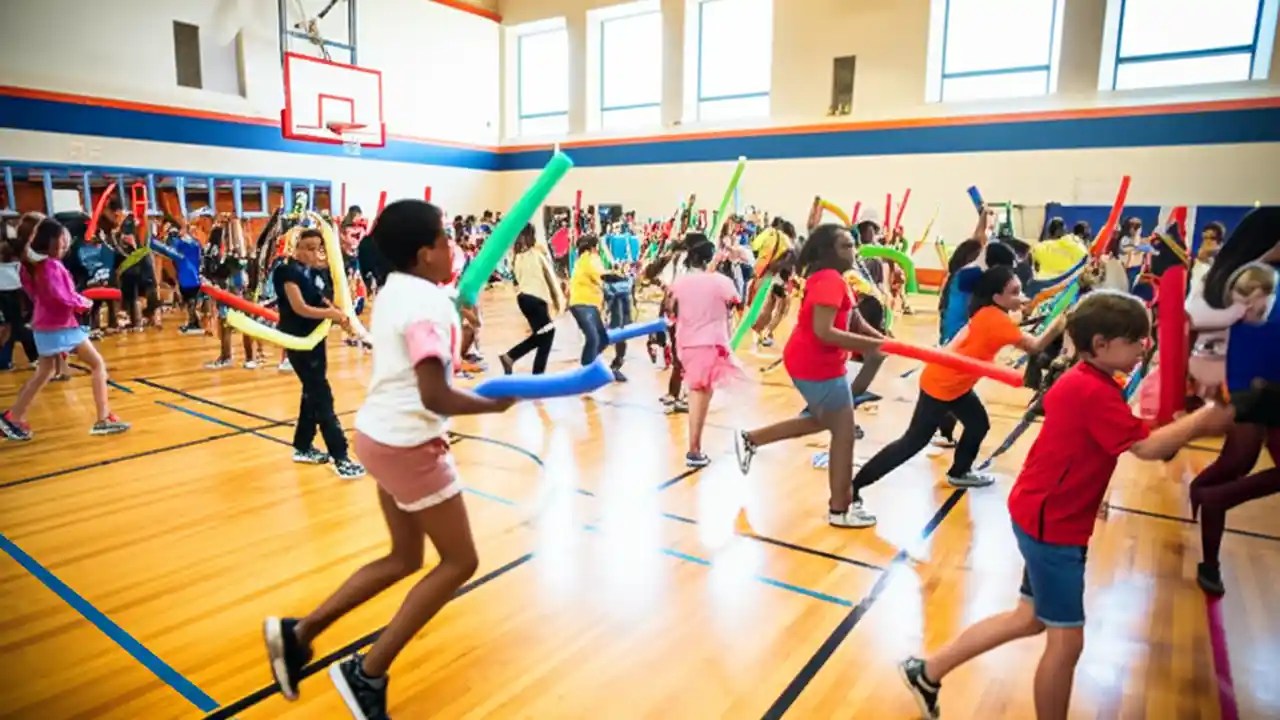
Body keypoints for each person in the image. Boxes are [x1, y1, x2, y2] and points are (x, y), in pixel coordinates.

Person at [899, 291, 1235, 720]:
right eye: (1136, 341)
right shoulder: (1091, 391)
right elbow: (1147, 448)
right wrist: (1205, 419)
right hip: (1051, 525)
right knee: (1067, 642)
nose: (1144, 348)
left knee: (1028, 618)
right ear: (1101, 345)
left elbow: (1124, 435)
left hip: (1044, 514)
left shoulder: (1088, 381)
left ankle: (927, 671)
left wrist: (1193, 419)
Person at [263, 200, 515, 720]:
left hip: (377, 434)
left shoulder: (400, 290)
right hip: (408, 444)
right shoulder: (427, 304)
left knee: (405, 558)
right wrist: (494, 401)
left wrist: (461, 329)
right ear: (425, 253)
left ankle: (300, 633)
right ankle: (366, 673)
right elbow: (435, 395)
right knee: (460, 561)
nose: (456, 248)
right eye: (447, 240)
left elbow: (426, 359)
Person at [849, 266, 1066, 525]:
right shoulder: (996, 321)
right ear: (997, 298)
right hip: (942, 386)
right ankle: (853, 488)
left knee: (978, 424)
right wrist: (1062, 320)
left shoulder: (989, 312)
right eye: (1014, 292)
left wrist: (1031, 306)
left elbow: (1015, 327)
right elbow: (1035, 345)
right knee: (911, 443)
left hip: (954, 385)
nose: (1020, 296)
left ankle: (960, 471)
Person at [732, 224, 883, 527]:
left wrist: (879, 339)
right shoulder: (829, 280)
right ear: (828, 252)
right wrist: (873, 345)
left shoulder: (837, 280)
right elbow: (825, 333)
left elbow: (852, 318)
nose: (853, 250)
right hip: (815, 364)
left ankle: (750, 440)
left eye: (853, 245)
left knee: (825, 420)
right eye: (846, 246)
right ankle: (840, 509)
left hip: (816, 361)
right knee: (843, 432)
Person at [1189, 207, 1280, 596]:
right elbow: (1224, 305)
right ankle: (1210, 509)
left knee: (1236, 463)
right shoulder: (1244, 278)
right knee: (1236, 464)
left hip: (1262, 384)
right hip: (1249, 386)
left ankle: (1206, 501)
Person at [0, 217, 130, 441]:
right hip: (61, 326)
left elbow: (36, 295)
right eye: (60, 243)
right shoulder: (51, 266)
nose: (63, 247)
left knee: (45, 372)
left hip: (43, 326)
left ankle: (14, 415)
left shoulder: (29, 266)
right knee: (97, 364)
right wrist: (83, 303)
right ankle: (103, 418)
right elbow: (62, 296)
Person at [274, 228, 365, 478]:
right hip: (298, 342)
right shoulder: (286, 272)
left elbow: (322, 302)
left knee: (311, 393)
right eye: (308, 248)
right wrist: (332, 315)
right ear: (297, 248)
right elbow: (300, 307)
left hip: (316, 341)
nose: (313, 253)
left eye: (317, 248)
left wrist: (342, 317)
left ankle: (303, 446)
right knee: (322, 396)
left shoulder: (317, 273)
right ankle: (341, 457)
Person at [666, 234, 743, 467]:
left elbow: (670, 310)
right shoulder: (720, 282)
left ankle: (695, 448)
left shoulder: (680, 282)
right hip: (710, 344)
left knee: (699, 393)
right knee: (700, 396)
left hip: (686, 345)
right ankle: (694, 450)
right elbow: (737, 300)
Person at [499, 224, 564, 375]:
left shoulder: (516, 256)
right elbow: (550, 277)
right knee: (548, 333)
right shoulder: (537, 253)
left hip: (523, 299)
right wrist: (559, 301)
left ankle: (513, 359)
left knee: (543, 336)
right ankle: (515, 359)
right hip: (535, 299)